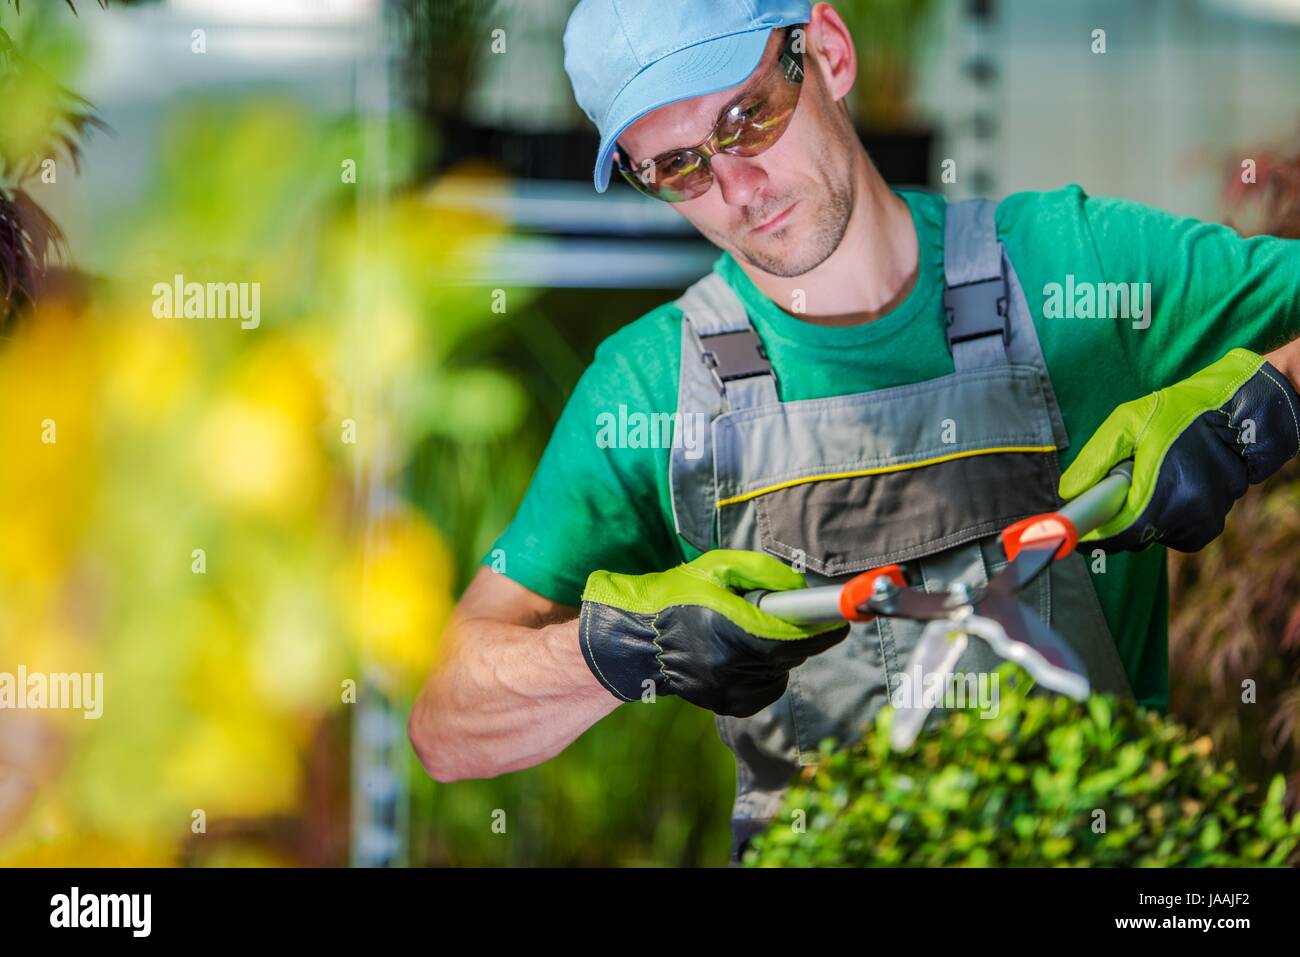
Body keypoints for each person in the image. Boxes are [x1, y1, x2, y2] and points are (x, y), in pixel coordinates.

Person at [408, 0, 1300, 864]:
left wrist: (1261, 404)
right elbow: (446, 724)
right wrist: (618, 650)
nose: (737, 189)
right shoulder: (648, 389)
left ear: (828, 51)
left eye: (748, 117)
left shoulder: (1076, 269)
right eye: (678, 167)